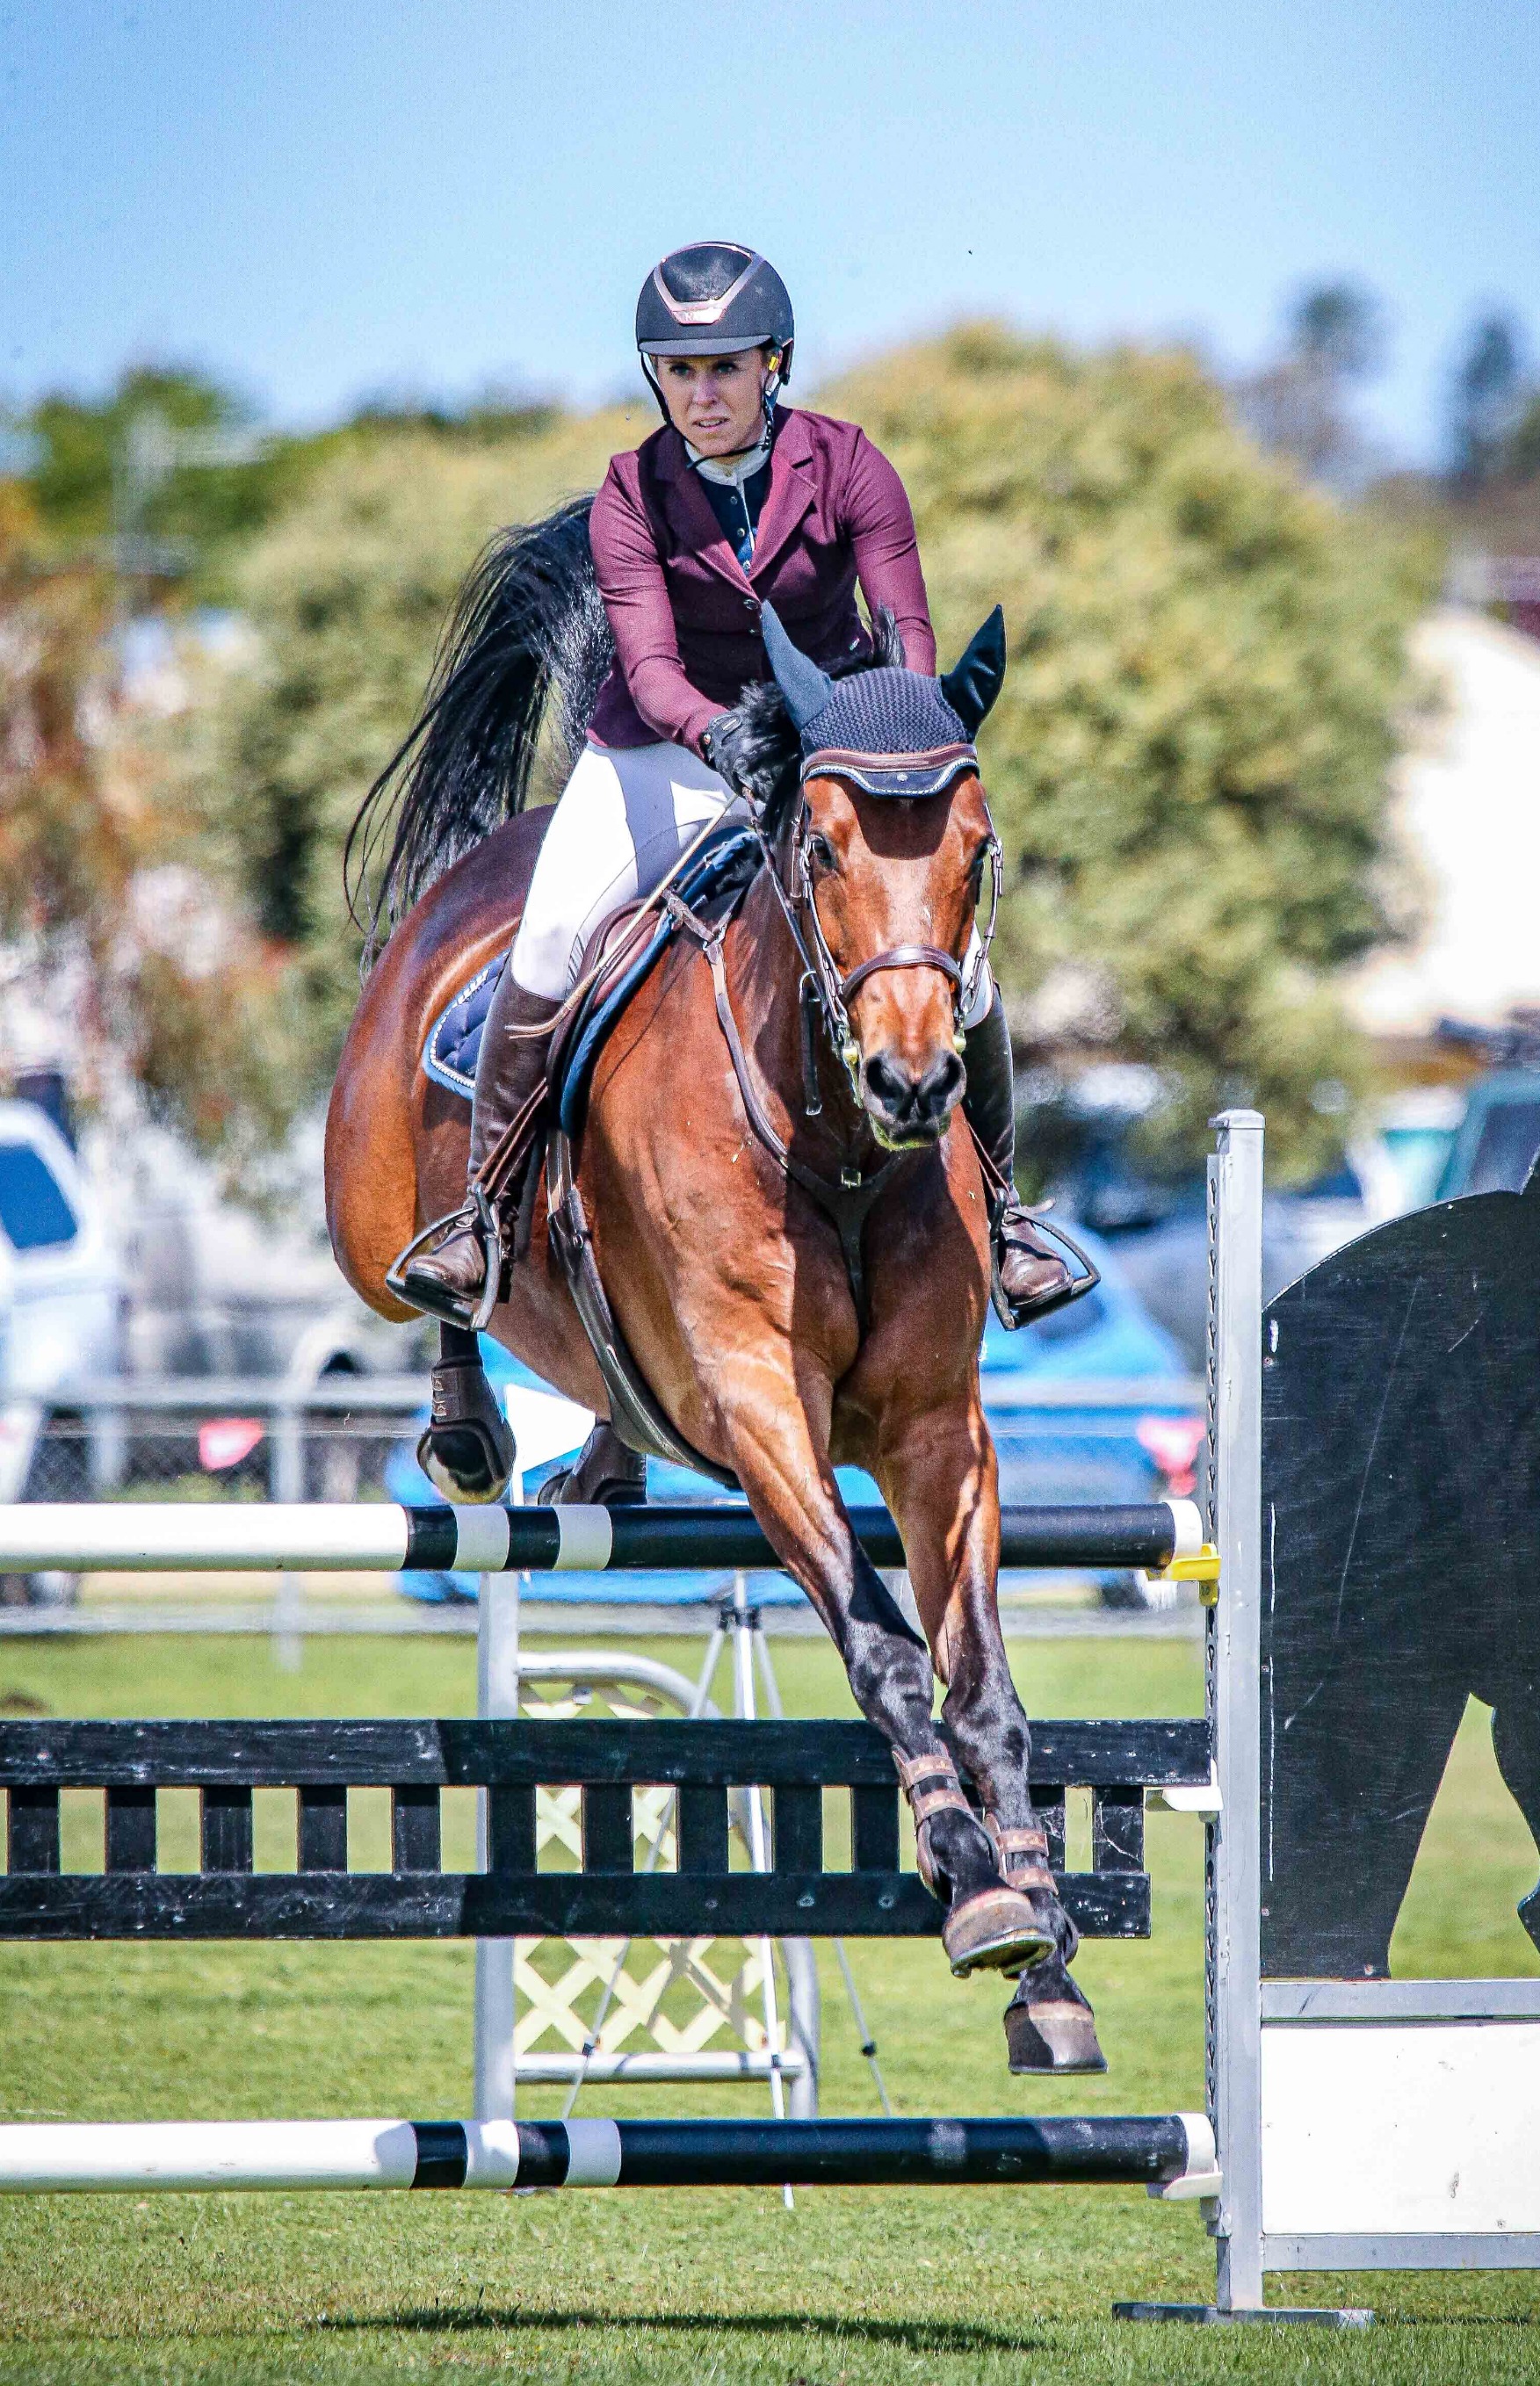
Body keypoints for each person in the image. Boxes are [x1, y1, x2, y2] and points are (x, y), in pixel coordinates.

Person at [400, 242, 1073, 1327]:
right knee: (552, 934)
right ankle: (484, 1216)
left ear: (775, 364)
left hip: (828, 747)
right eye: (679, 371)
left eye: (724, 368)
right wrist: (720, 736)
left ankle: (1004, 1222)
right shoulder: (631, 493)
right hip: (665, 749)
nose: (701, 395)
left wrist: (886, 730)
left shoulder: (851, 467)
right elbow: (650, 668)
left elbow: (906, 626)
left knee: (962, 972)